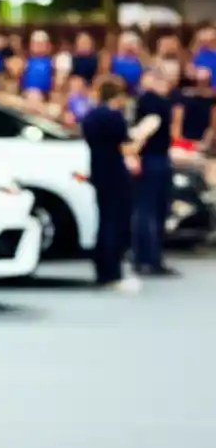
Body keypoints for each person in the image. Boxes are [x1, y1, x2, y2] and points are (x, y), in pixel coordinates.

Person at [81, 77, 152, 291]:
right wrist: (142, 134)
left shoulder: (90, 116)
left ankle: (102, 270)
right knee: (116, 223)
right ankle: (113, 273)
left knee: (103, 222)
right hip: (114, 172)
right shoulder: (113, 117)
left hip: (98, 171)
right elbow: (126, 144)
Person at [132, 69, 179, 277]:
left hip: (149, 159)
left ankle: (141, 256)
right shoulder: (155, 103)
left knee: (145, 210)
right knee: (153, 211)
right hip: (155, 159)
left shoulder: (142, 102)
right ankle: (151, 258)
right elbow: (144, 132)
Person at [172, 65, 216, 152]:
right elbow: (177, 122)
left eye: (205, 82)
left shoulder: (212, 100)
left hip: (203, 144)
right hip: (184, 142)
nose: (201, 84)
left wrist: (205, 143)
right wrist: (179, 140)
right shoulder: (183, 97)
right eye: (199, 82)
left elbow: (212, 127)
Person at [19, 30, 56, 99]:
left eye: (42, 44)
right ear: (31, 45)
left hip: (45, 95)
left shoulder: (53, 61)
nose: (39, 46)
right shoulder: (24, 61)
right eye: (36, 44)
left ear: (48, 45)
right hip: (26, 94)